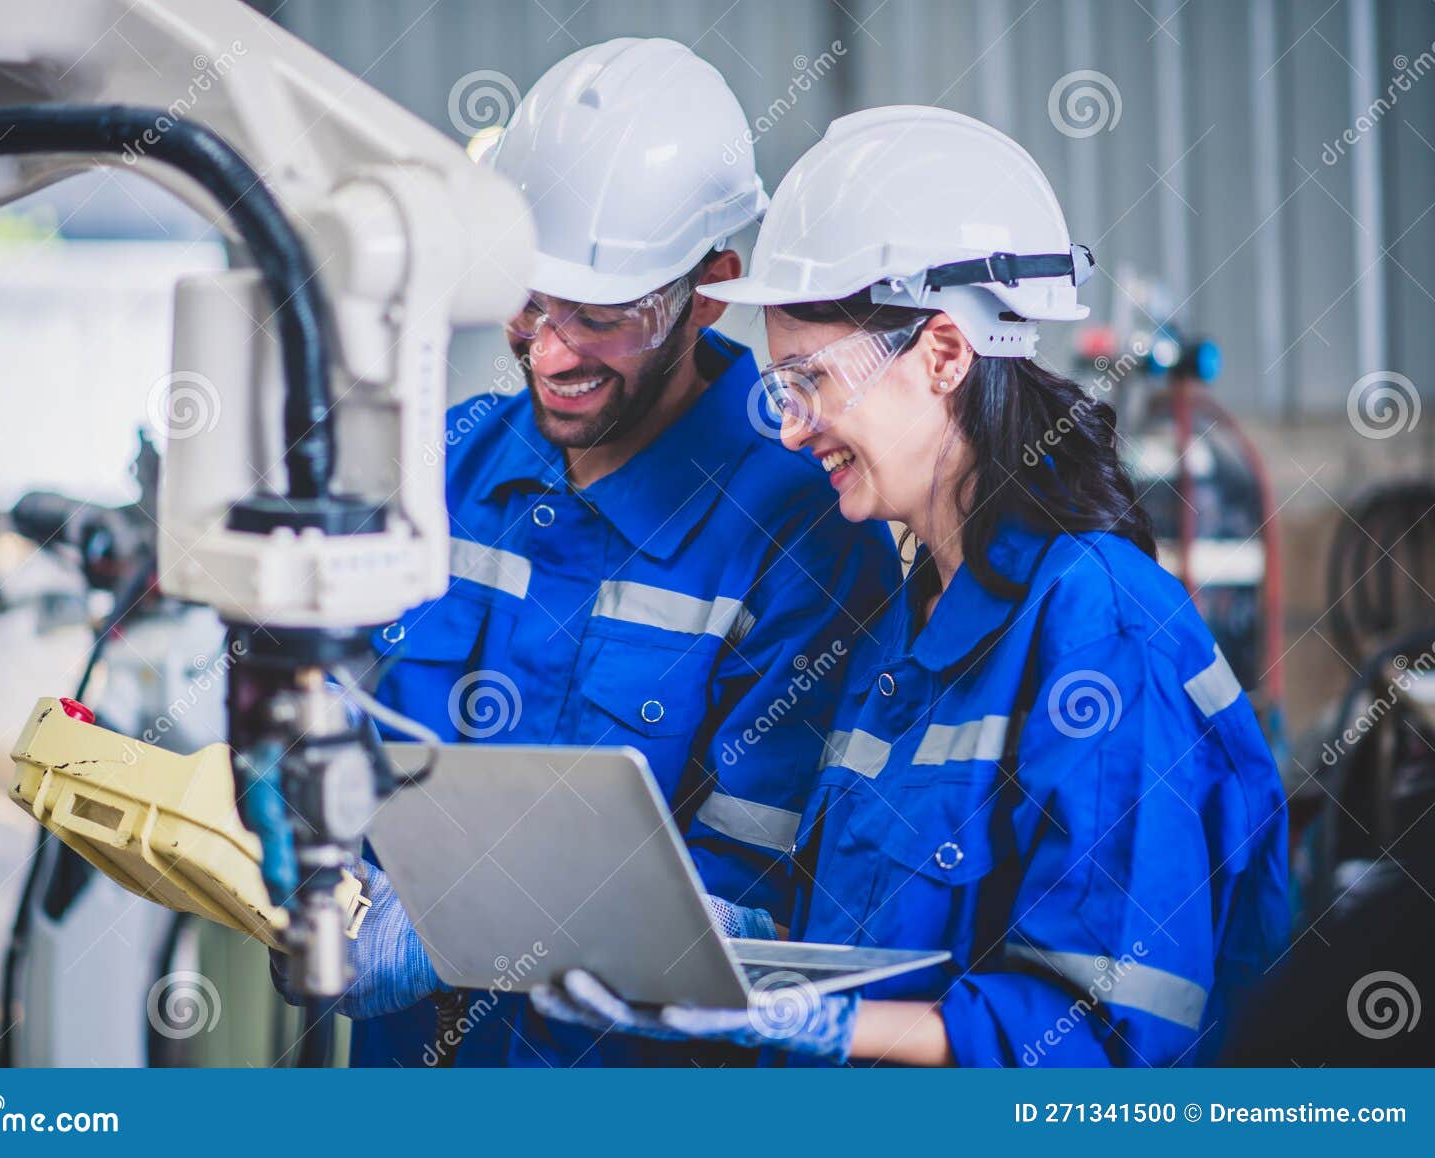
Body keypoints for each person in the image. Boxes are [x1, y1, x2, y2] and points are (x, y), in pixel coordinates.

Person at [530, 106, 1291, 1066]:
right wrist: (716, 949)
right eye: (779, 388)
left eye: (808, 381)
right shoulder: (904, 623)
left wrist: (822, 1025)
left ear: (942, 352)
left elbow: (1105, 1033)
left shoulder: (1100, 627)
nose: (793, 429)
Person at [279, 40, 901, 1068]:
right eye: (528, 301)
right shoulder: (447, 460)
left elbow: (763, 915)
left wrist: (471, 921)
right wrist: (316, 880)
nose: (550, 352)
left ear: (711, 291)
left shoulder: (803, 527)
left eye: (602, 319)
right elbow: (324, 749)